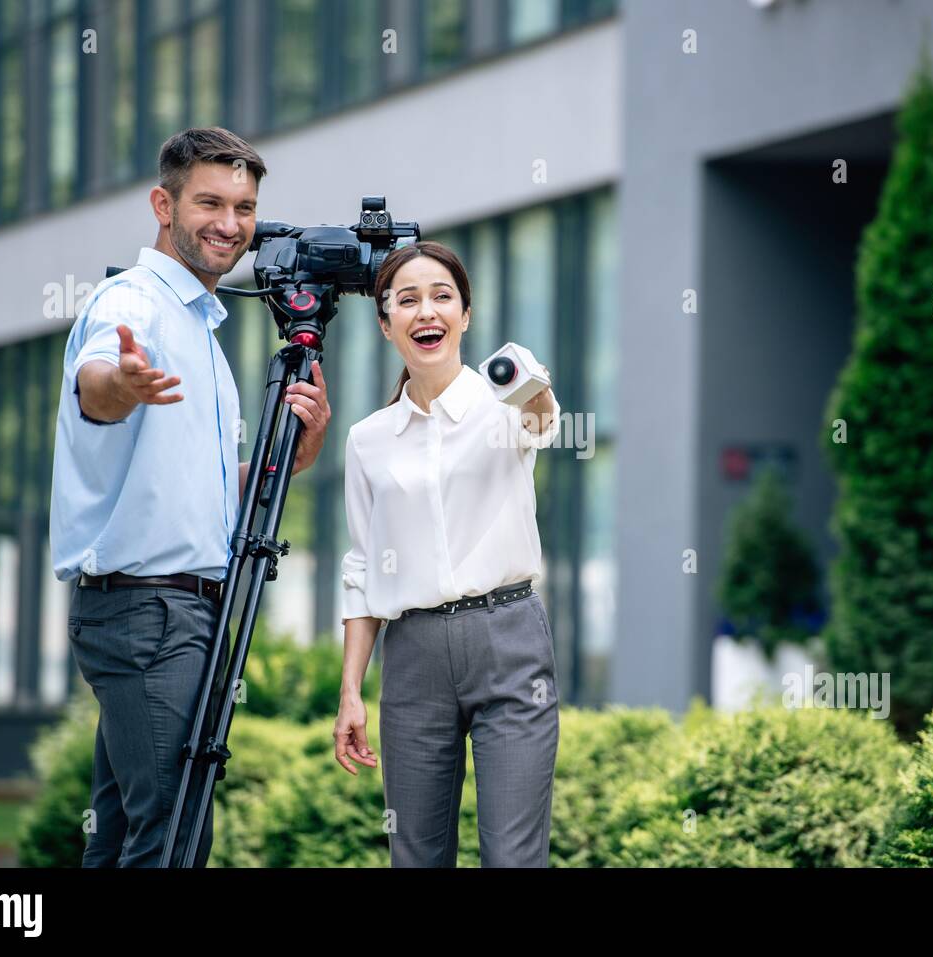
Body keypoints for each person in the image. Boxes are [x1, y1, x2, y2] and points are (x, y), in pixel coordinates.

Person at [49, 127, 331, 867]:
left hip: (164, 610)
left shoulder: (199, 321)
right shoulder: (135, 300)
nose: (230, 223)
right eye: (209, 201)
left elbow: (201, 488)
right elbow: (98, 383)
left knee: (123, 839)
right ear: (161, 203)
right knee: (174, 835)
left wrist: (290, 457)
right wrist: (123, 387)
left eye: (244, 206)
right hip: (148, 613)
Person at [331, 240, 563, 867]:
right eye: (406, 300)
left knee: (513, 857)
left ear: (464, 313)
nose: (425, 311)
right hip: (413, 659)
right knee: (416, 856)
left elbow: (544, 423)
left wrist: (532, 389)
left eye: (442, 297)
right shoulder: (368, 440)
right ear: (385, 323)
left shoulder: (501, 403)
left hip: (508, 641)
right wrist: (351, 689)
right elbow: (361, 568)